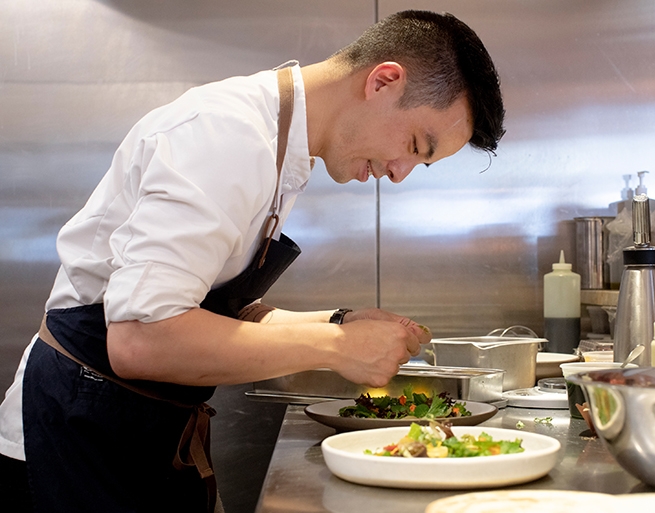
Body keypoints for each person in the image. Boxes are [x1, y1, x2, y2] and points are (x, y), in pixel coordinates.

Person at [0, 9, 504, 513]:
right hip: (70, 437)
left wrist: (337, 322)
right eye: (415, 146)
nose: (400, 174)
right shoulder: (227, 135)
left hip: (132, 432)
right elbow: (140, 337)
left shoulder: (283, 145)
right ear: (383, 81)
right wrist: (336, 345)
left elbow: (210, 306)